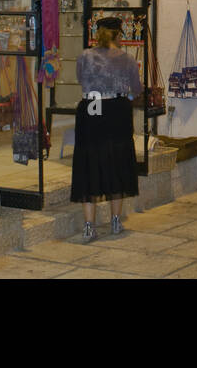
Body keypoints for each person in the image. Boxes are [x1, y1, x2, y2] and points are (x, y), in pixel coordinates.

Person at [72, 17, 141, 242]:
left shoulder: (85, 56)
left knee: (89, 160)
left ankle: (89, 225)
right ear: (119, 35)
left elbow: (82, 79)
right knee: (118, 160)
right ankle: (115, 221)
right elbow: (137, 89)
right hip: (117, 109)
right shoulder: (128, 60)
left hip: (92, 105)